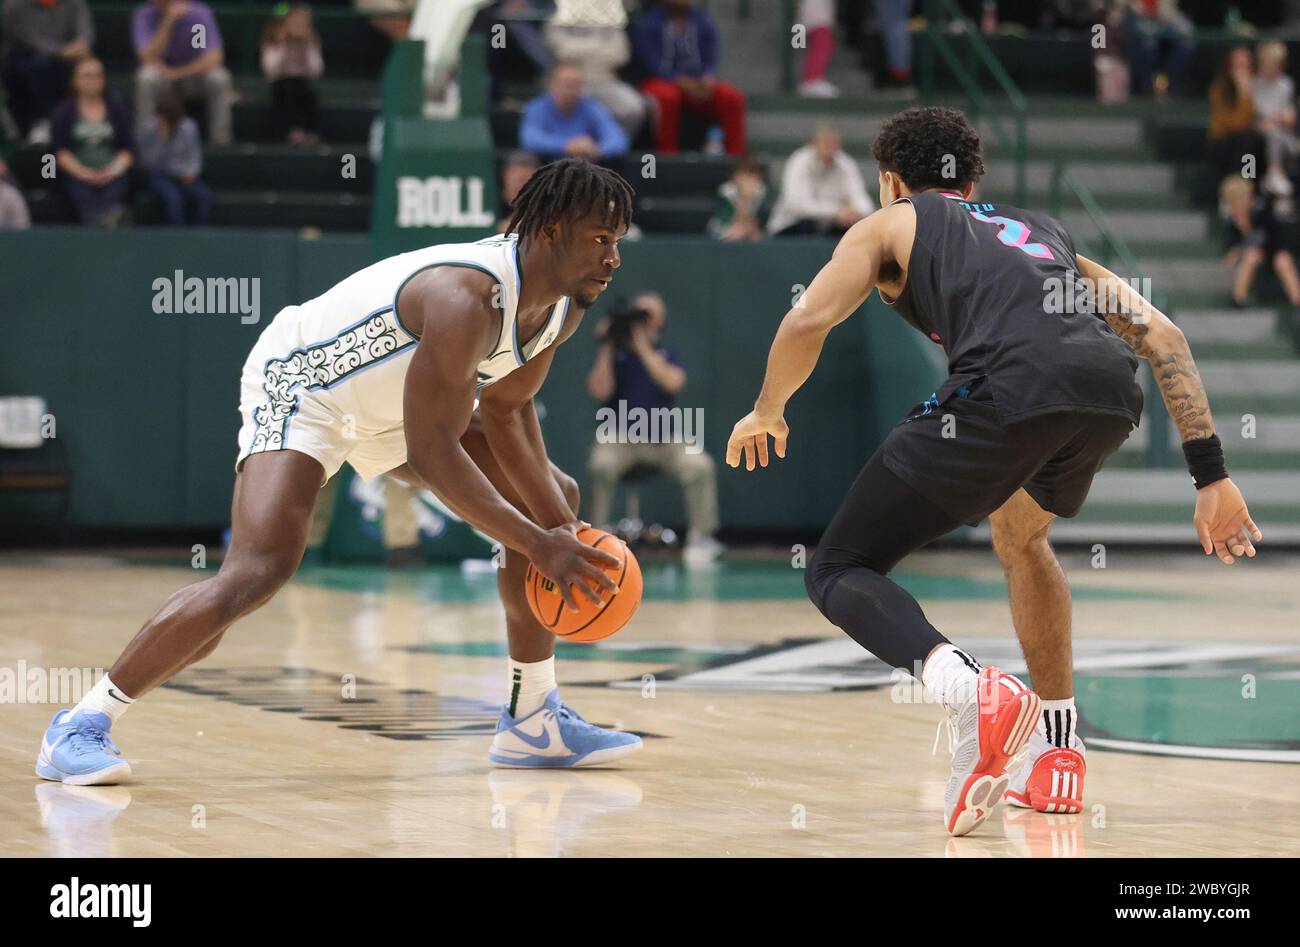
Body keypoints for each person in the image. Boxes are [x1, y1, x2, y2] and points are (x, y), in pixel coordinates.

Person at [727, 106, 1262, 836]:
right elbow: (1161, 336)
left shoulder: (888, 224)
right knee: (1021, 534)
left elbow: (807, 320)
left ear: (889, 181)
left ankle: (970, 689)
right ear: (974, 179)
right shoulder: (1044, 231)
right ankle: (1060, 752)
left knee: (839, 565)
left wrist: (766, 409)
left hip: (1007, 390)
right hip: (1105, 394)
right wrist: (1211, 476)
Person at [33, 157, 645, 784]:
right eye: (601, 240)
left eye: (617, 243)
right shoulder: (466, 297)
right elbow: (434, 452)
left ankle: (532, 719)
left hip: (396, 410)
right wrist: (540, 543)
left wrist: (559, 530)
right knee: (257, 572)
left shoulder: (562, 309)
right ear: (550, 233)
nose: (613, 259)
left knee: (556, 497)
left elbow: (510, 412)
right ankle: (80, 725)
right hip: (309, 385)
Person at [586, 291, 722, 563]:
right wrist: (608, 343)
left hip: (664, 436)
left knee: (700, 465)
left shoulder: (666, 353)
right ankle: (595, 538)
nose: (642, 322)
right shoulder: (616, 354)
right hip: (620, 435)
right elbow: (599, 390)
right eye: (638, 315)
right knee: (600, 465)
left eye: (648, 316)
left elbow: (672, 383)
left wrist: (642, 347)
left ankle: (701, 538)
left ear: (660, 321)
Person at [631, 0, 747, 155]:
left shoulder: (704, 22)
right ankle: (668, 157)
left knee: (732, 96)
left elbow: (710, 60)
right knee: (667, 97)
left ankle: (736, 159)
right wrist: (679, 81)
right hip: (661, 81)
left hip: (698, 83)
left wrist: (707, 77)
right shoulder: (647, 24)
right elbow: (652, 65)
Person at [133, 0, 234, 146]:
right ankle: (145, 144)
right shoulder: (145, 14)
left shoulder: (196, 15)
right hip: (162, 80)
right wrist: (168, 22)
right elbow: (147, 58)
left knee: (219, 78)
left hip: (192, 78)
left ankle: (221, 143)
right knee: (146, 77)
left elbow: (213, 58)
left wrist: (178, 73)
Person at [544, 0, 648, 141]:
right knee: (567, 103)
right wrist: (600, 47)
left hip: (606, 80)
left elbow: (621, 54)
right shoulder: (562, 13)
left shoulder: (609, 15)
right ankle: (573, 152)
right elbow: (561, 50)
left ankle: (608, 148)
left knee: (633, 108)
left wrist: (579, 50)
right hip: (573, 82)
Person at [51, 56, 134, 227]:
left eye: (97, 76)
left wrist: (110, 172)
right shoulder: (64, 112)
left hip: (112, 175)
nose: (92, 81)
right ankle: (99, 228)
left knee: (117, 188)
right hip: (77, 176)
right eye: (87, 76)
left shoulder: (117, 110)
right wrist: (85, 174)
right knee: (81, 193)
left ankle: (109, 223)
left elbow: (128, 150)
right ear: (75, 81)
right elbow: (60, 152)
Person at [1, 0, 94, 142]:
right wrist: (60, 51)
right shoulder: (13, 5)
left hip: (67, 60)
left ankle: (89, 124)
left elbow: (85, 35)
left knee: (89, 68)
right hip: (22, 62)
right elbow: (29, 39)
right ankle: (41, 122)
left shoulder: (75, 3)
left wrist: (80, 47)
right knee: (40, 65)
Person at [766, 124, 873, 237]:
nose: (830, 149)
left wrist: (856, 213)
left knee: (853, 232)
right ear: (813, 145)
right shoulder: (799, 162)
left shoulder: (846, 164)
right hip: (790, 227)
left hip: (830, 228)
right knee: (807, 225)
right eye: (825, 144)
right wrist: (835, 212)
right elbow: (797, 206)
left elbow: (861, 198)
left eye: (833, 144)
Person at [519, 62, 629, 161]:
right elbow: (530, 139)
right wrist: (567, 145)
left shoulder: (592, 107)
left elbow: (618, 139)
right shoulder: (537, 107)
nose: (572, 91)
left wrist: (597, 150)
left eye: (577, 85)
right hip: (546, 170)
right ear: (552, 85)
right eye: (568, 85)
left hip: (586, 169)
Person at [1221, 175, 1300, 309]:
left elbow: (1269, 237)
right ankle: (1238, 298)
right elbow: (1234, 244)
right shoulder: (1234, 219)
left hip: (1275, 249)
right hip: (1257, 252)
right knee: (1251, 257)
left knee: (1283, 262)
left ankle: (1297, 301)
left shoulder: (1262, 209)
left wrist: (1247, 230)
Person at [137, 89, 209, 225]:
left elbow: (195, 155)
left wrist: (192, 172)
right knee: (173, 198)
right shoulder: (148, 128)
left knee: (203, 196)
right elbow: (147, 162)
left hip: (183, 175)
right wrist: (162, 140)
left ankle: (200, 235)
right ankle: (177, 237)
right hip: (158, 175)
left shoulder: (189, 127)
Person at [261, 3, 324, 146]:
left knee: (309, 92)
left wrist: (308, 46)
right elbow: (270, 71)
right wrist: (282, 44)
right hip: (281, 82)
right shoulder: (273, 38)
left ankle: (311, 132)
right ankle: (293, 132)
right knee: (288, 88)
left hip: (303, 82)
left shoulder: (311, 41)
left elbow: (317, 70)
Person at [1206, 46, 1263, 184]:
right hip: (1222, 141)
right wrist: (1244, 94)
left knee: (1253, 143)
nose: (1241, 70)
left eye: (1245, 66)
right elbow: (1236, 124)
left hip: (1247, 143)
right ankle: (1238, 187)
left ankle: (1246, 186)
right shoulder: (1219, 88)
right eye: (1237, 65)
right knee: (1244, 142)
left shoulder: (1258, 85)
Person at [1252, 41, 1298, 197]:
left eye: (1277, 65)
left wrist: (1283, 117)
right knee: (1248, 159)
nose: (1273, 69)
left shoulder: (1286, 84)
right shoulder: (1253, 84)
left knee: (1286, 143)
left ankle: (1280, 191)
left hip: (1281, 132)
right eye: (1269, 64)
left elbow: (1288, 114)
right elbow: (1255, 115)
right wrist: (1272, 120)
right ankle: (1272, 173)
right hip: (1252, 139)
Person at [708, 155, 769, 241]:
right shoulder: (726, 190)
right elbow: (735, 219)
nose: (750, 181)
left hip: (749, 227)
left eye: (754, 176)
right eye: (746, 176)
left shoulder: (761, 191)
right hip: (723, 226)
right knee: (736, 232)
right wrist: (745, 197)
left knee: (756, 236)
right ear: (736, 177)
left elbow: (755, 221)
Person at [497, 149, 539, 231]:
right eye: (515, 173)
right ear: (505, 174)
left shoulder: (542, 204)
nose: (520, 181)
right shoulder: (492, 201)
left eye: (527, 176)